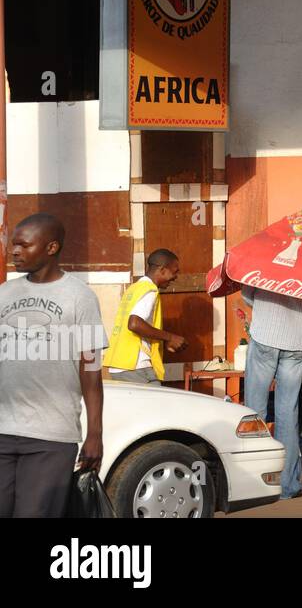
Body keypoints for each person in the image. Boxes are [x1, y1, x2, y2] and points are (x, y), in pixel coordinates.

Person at [0, 213, 107, 517]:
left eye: (23, 245)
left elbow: (91, 369)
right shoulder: (4, 294)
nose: (14, 251)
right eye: (13, 244)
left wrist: (95, 434)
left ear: (51, 247)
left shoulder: (80, 297)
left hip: (50, 437)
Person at [241, 284, 302, 499]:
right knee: (288, 413)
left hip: (265, 335)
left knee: (254, 410)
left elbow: (247, 295)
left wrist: (268, 310)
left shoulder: (269, 255)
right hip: (297, 342)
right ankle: (288, 486)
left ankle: (254, 483)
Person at [105, 248, 186, 384]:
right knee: (156, 405)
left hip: (120, 364)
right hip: (135, 366)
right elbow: (134, 323)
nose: (176, 276)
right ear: (162, 270)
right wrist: (170, 337)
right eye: (174, 271)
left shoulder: (134, 288)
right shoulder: (150, 291)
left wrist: (163, 340)